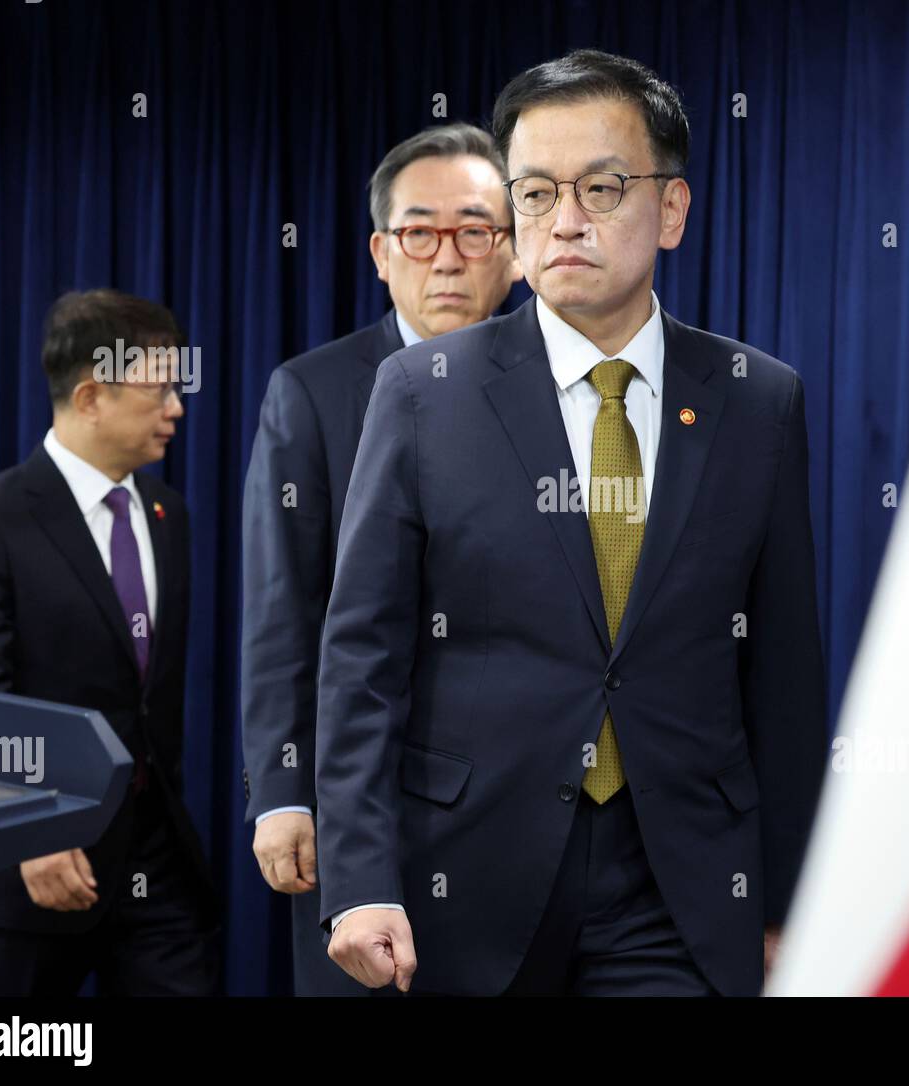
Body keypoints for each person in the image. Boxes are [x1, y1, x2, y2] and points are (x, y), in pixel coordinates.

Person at [317, 49, 829, 997]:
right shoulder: (425, 393)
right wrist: (357, 881)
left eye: (602, 187)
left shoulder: (759, 401)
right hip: (466, 873)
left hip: (677, 881)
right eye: (538, 194)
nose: (567, 222)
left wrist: (790, 900)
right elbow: (363, 656)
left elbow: (785, 676)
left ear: (670, 209)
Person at [240, 123, 522, 996]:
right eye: (419, 232)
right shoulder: (314, 391)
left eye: (476, 231)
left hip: (528, 798)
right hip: (368, 805)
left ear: (513, 253)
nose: (447, 258)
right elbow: (284, 608)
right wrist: (284, 789)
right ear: (379, 251)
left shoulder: (568, 389)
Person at [0, 289, 219, 996]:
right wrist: (25, 830)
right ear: (92, 396)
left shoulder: (168, 515)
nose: (177, 409)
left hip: (155, 868)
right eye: (160, 392)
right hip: (25, 873)